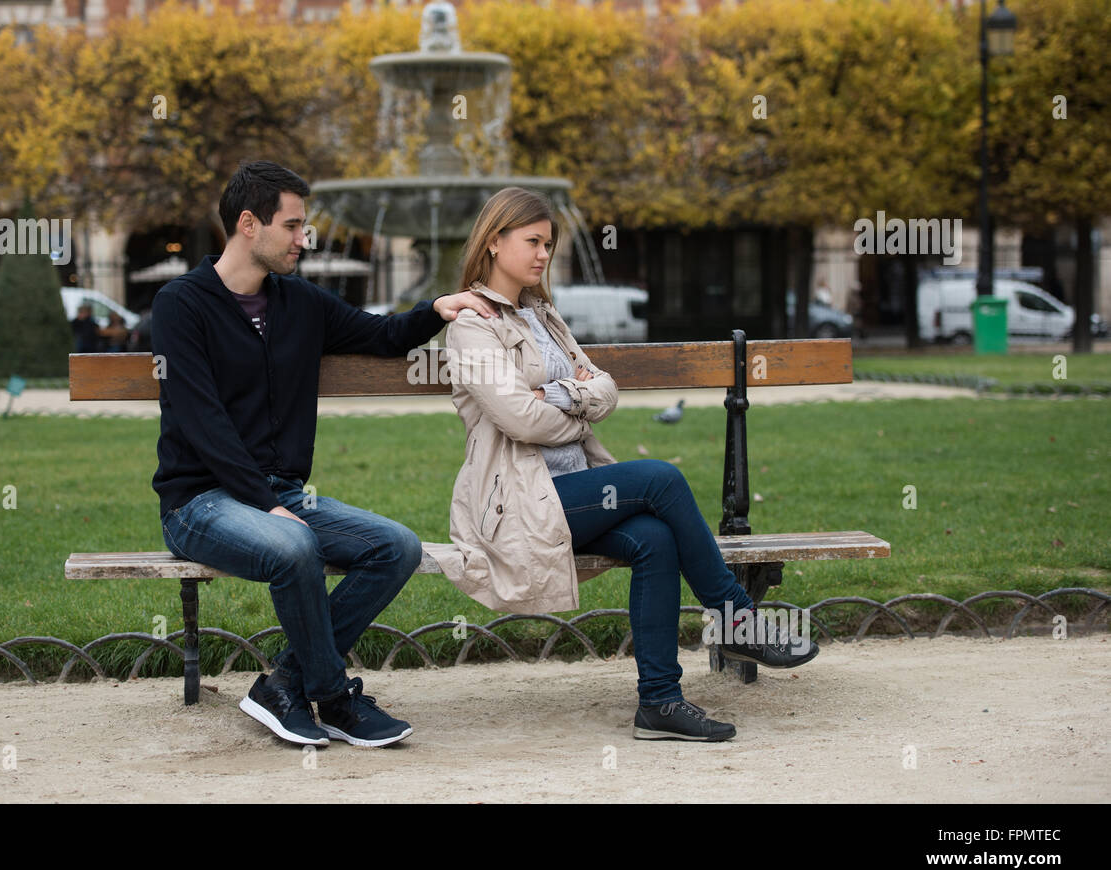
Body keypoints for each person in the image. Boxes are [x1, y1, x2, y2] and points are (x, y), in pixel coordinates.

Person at [436, 187, 818, 743]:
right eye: (532, 241)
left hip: (578, 491)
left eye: (549, 243)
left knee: (655, 540)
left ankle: (659, 703)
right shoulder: (472, 326)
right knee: (661, 477)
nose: (544, 254)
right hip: (523, 501)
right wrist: (576, 403)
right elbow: (520, 418)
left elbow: (606, 391)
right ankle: (737, 617)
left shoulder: (544, 315)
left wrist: (560, 398)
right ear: (494, 242)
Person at [153, 160, 493, 748]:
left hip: (280, 495)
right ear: (248, 223)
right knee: (294, 544)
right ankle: (334, 698)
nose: (303, 239)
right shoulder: (181, 305)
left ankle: (284, 684)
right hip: (199, 501)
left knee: (396, 547)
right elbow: (201, 421)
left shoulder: (300, 303)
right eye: (292, 226)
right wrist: (264, 504)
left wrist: (437, 308)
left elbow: (380, 335)